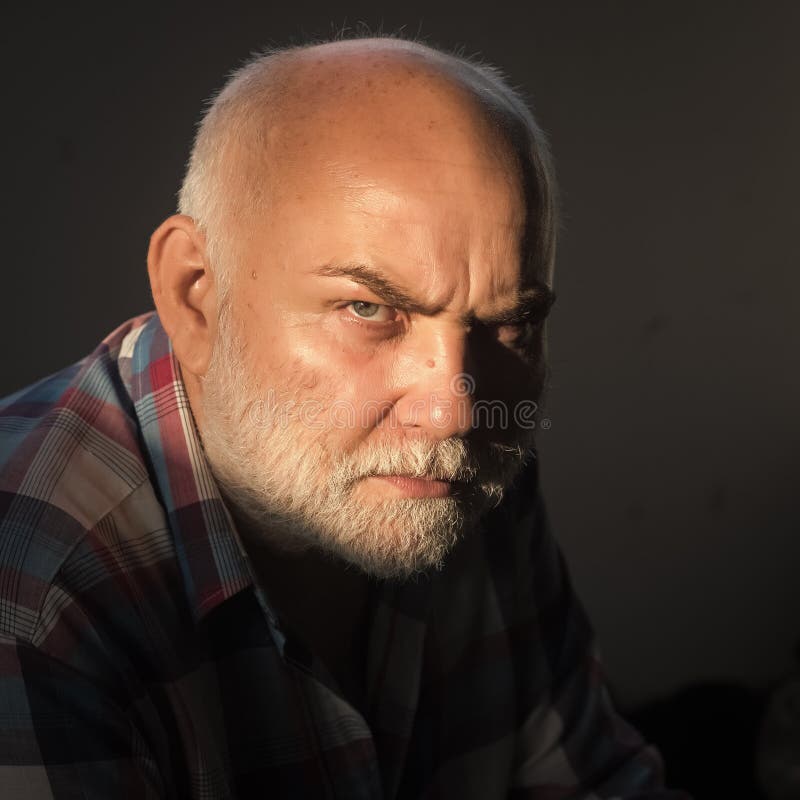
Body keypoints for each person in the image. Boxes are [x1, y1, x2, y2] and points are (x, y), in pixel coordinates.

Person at [0, 34, 688, 799]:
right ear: (196, 294)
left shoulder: (461, 469)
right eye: (368, 308)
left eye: (510, 324)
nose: (451, 411)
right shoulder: (32, 600)